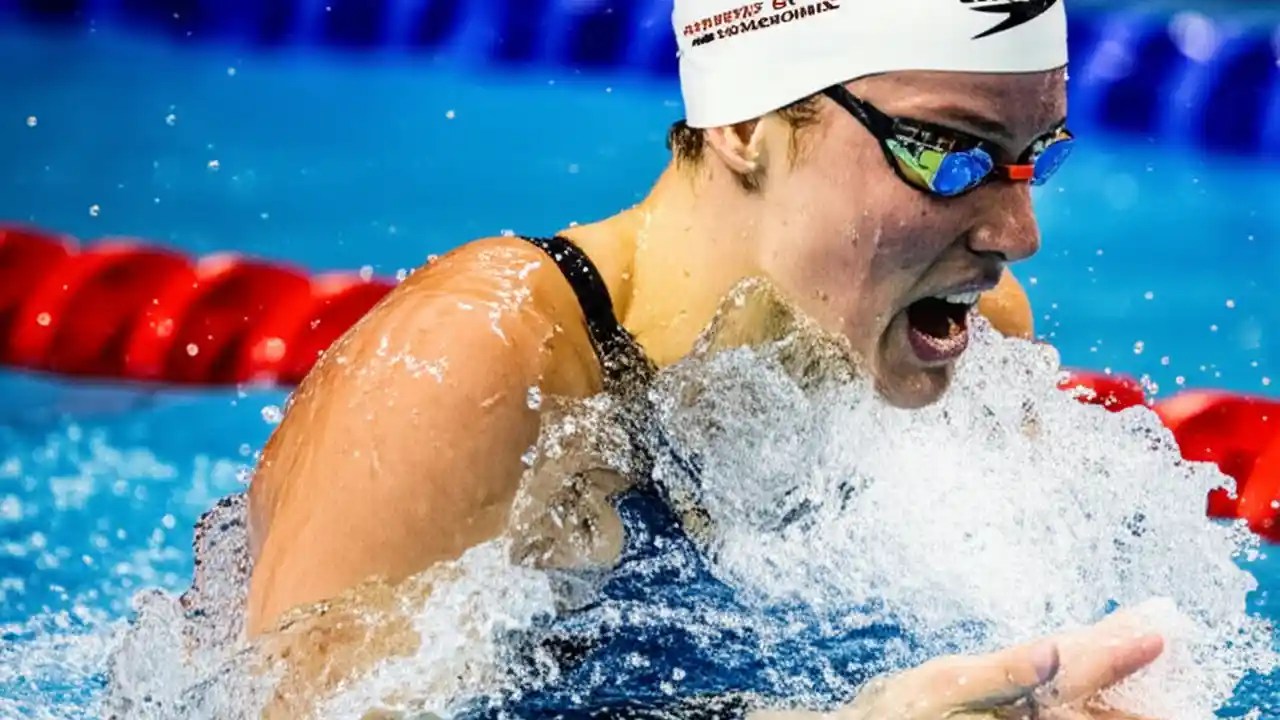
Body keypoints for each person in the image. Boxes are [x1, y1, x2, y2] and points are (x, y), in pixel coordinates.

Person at [240, 0, 1168, 716]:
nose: (1018, 234)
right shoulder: (482, 362)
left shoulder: (969, 336)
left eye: (1033, 158)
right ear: (742, 127)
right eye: (947, 155)